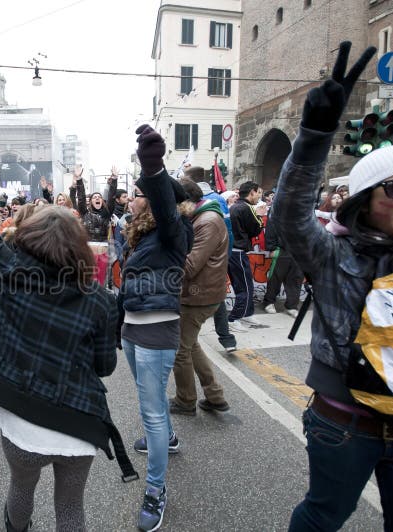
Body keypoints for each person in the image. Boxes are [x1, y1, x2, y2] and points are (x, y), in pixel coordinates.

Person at [0, 115, 136, 532]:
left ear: (28, 238)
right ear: (77, 246)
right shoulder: (100, 300)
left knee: (20, 493)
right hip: (78, 423)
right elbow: (104, 367)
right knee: (71, 511)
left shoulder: (7, 267)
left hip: (21, 422)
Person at [275, 41, 393, 531]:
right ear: (367, 202)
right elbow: (290, 213)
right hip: (345, 424)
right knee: (322, 516)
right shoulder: (333, 254)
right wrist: (314, 135)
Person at [122, 125, 191, 531]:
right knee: (151, 404)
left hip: (158, 330)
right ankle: (169, 438)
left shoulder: (172, 230)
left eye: (139, 191)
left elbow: (167, 203)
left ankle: (155, 489)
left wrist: (152, 165)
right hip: (133, 330)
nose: (132, 197)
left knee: (150, 413)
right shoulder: (139, 236)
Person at [170, 179, 231, 417]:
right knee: (191, 344)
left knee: (180, 349)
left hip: (199, 295)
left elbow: (190, 265)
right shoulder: (200, 218)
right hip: (198, 293)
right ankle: (215, 395)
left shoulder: (207, 222)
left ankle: (185, 400)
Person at [185, 167, 237, 353]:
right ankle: (225, 337)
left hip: (210, 259)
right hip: (208, 258)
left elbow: (225, 230)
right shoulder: (213, 201)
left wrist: (223, 256)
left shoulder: (212, 204)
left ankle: (226, 336)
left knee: (214, 295)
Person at [227, 181, 266, 330]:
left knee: (246, 284)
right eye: (258, 193)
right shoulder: (246, 207)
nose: (259, 196)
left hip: (234, 251)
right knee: (244, 287)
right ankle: (233, 318)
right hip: (237, 252)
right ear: (251, 192)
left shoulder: (235, 206)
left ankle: (247, 314)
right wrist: (260, 216)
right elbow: (255, 230)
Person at [261, 204, 304, 317]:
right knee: (276, 277)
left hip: (299, 250)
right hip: (281, 249)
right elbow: (271, 227)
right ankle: (269, 302)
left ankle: (292, 305)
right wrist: (271, 247)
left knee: (296, 278)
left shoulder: (305, 205)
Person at [73, 166, 112, 242]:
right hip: (88, 249)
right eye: (94, 197)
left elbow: (111, 199)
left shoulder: (106, 213)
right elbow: (81, 198)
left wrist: (114, 180)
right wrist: (79, 179)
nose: (97, 198)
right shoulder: (85, 213)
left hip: (103, 249)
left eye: (99, 197)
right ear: (90, 202)